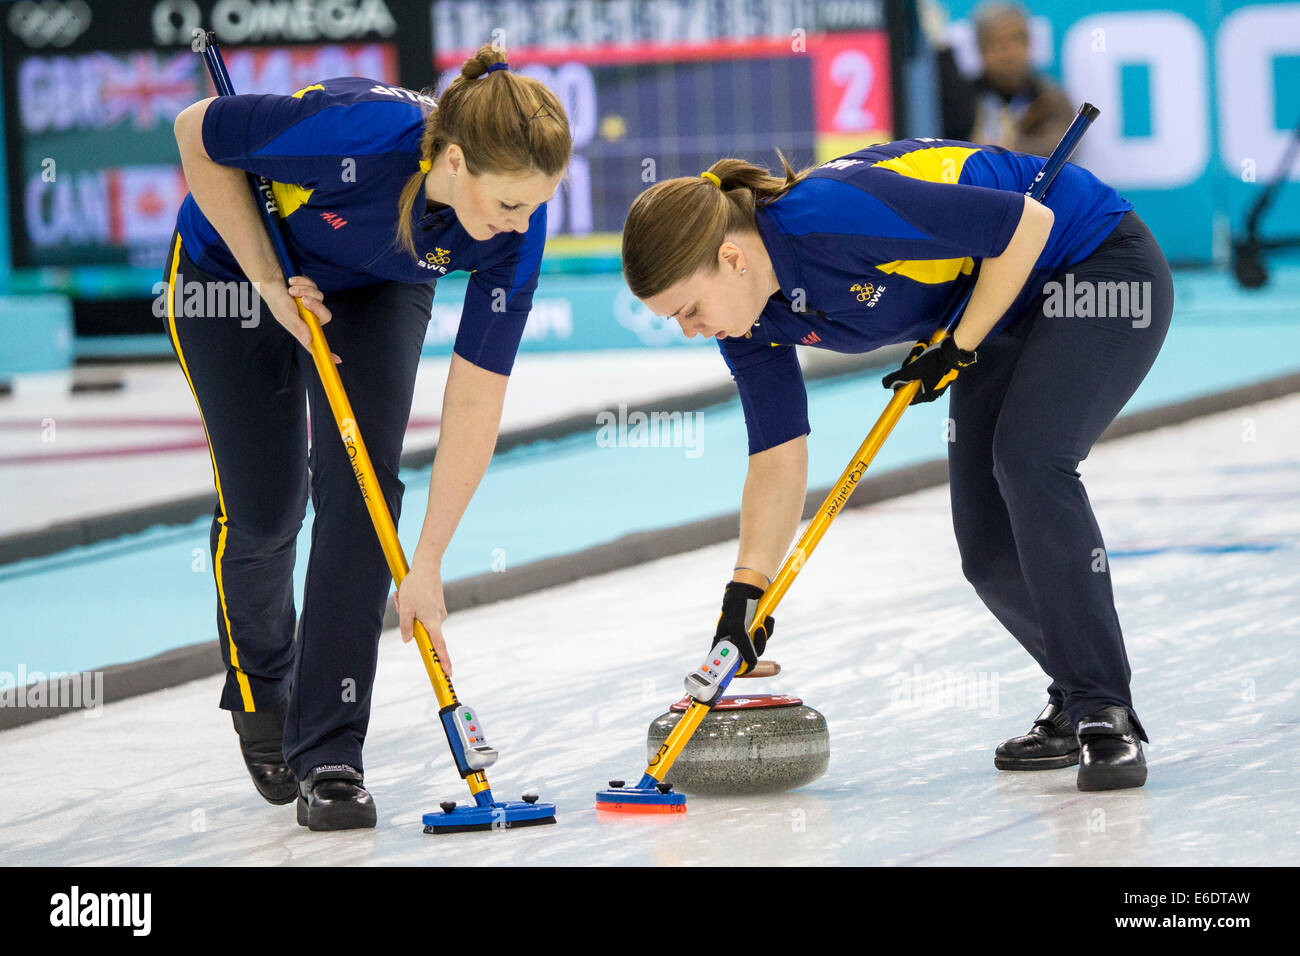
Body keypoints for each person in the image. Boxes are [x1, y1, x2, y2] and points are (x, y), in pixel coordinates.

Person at [620, 138, 1172, 792]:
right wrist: (746, 595)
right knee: (987, 550)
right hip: (997, 305)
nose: (691, 330)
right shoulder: (751, 323)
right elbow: (777, 453)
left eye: (688, 310)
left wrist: (960, 344)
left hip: (1093, 264)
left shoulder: (828, 215)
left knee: (1029, 461)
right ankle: (1079, 692)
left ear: (731, 257)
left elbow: (1030, 224)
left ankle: (1104, 710)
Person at [166, 46, 571, 829]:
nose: (522, 226)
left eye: (533, 207)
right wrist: (266, 282)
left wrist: (426, 562)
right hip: (231, 274)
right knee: (266, 508)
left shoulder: (515, 230)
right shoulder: (357, 136)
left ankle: (328, 752)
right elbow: (195, 132)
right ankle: (262, 688)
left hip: (380, 287)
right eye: (510, 206)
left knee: (362, 491)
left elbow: (477, 400)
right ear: (454, 161)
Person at [924, 0, 1075, 157]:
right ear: (980, 49)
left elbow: (1062, 149)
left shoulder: (1051, 98)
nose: (1008, 54)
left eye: (1016, 40)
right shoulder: (962, 100)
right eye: (996, 44)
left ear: (1030, 43)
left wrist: (1007, 149)